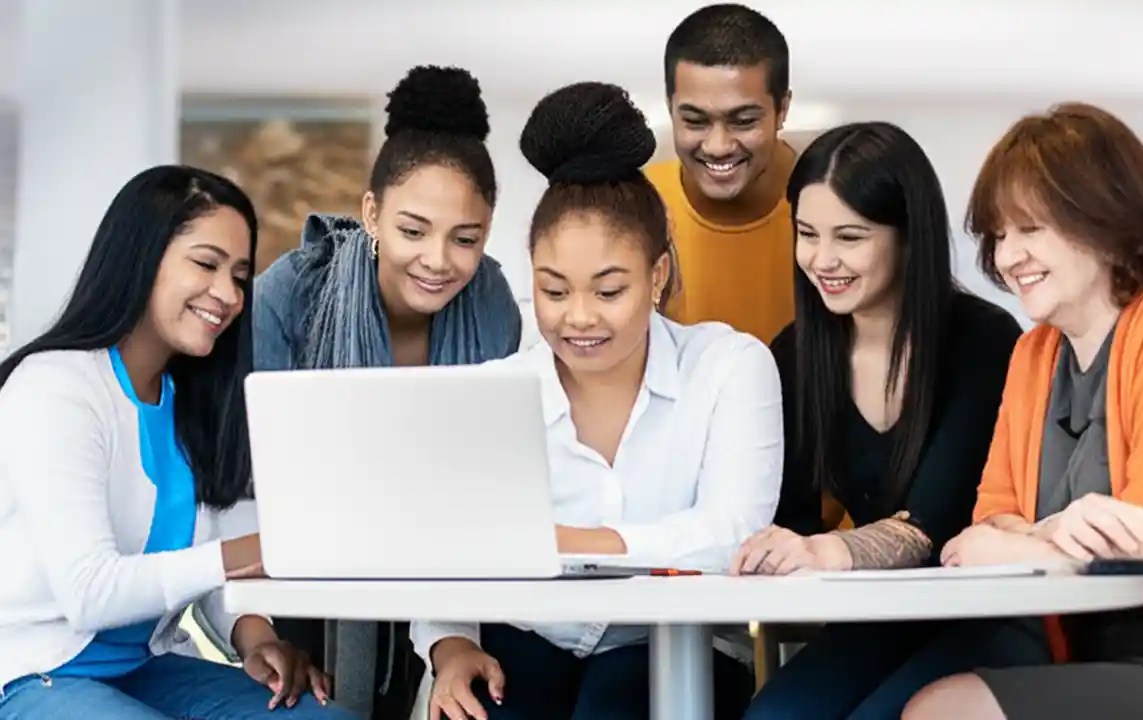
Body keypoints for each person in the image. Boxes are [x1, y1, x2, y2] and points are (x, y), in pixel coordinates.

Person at [414, 81, 781, 720]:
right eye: (554, 292)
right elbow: (448, 544)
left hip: (675, 643)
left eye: (608, 292)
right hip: (525, 637)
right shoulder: (498, 390)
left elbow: (733, 534)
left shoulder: (729, 367)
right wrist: (451, 645)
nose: (578, 319)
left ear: (658, 275)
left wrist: (564, 540)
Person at [900, 103, 1143, 720]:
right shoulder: (1035, 354)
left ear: (1103, 217)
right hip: (1093, 658)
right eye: (998, 235)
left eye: (1030, 229)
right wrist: (1060, 537)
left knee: (944, 709)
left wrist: (1037, 540)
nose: (1006, 256)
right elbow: (985, 529)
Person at [0, 165, 352, 719]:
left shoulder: (196, 399)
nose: (228, 294)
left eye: (239, 275)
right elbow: (90, 592)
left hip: (145, 667)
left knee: (325, 716)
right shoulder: (54, 387)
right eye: (206, 264)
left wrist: (255, 639)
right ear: (142, 258)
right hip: (31, 674)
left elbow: (220, 558)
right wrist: (241, 556)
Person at [729, 122, 1029, 719]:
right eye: (807, 234)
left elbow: (931, 523)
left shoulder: (983, 339)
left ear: (908, 237)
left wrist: (823, 552)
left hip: (979, 615)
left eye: (850, 236)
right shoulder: (794, 353)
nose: (823, 260)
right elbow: (790, 517)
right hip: (878, 619)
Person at [253, 65, 522, 716]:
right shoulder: (290, 294)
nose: (438, 260)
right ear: (371, 212)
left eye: (466, 239)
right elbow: (250, 475)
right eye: (413, 229)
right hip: (298, 568)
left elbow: (478, 477)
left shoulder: (491, 304)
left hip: (446, 560)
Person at [645, 2, 796, 346]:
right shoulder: (636, 204)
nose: (718, 146)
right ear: (670, 108)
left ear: (782, 110)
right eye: (695, 121)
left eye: (743, 121)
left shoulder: (831, 202)